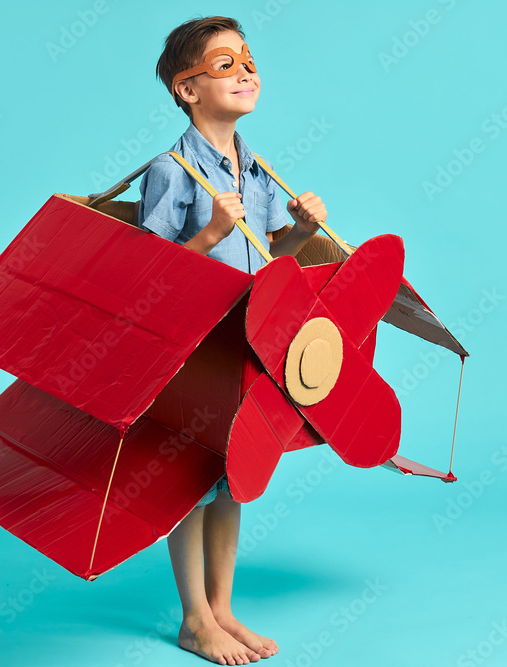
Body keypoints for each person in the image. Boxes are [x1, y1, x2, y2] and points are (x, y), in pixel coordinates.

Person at [137, 16, 328, 666]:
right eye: (226, 65)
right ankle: (194, 618)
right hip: (194, 346)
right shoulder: (171, 171)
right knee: (191, 477)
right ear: (187, 89)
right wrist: (211, 234)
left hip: (246, 341)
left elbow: (272, 259)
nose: (246, 72)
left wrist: (300, 232)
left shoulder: (256, 168)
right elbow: (149, 274)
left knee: (232, 475)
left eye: (248, 60)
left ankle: (221, 608)